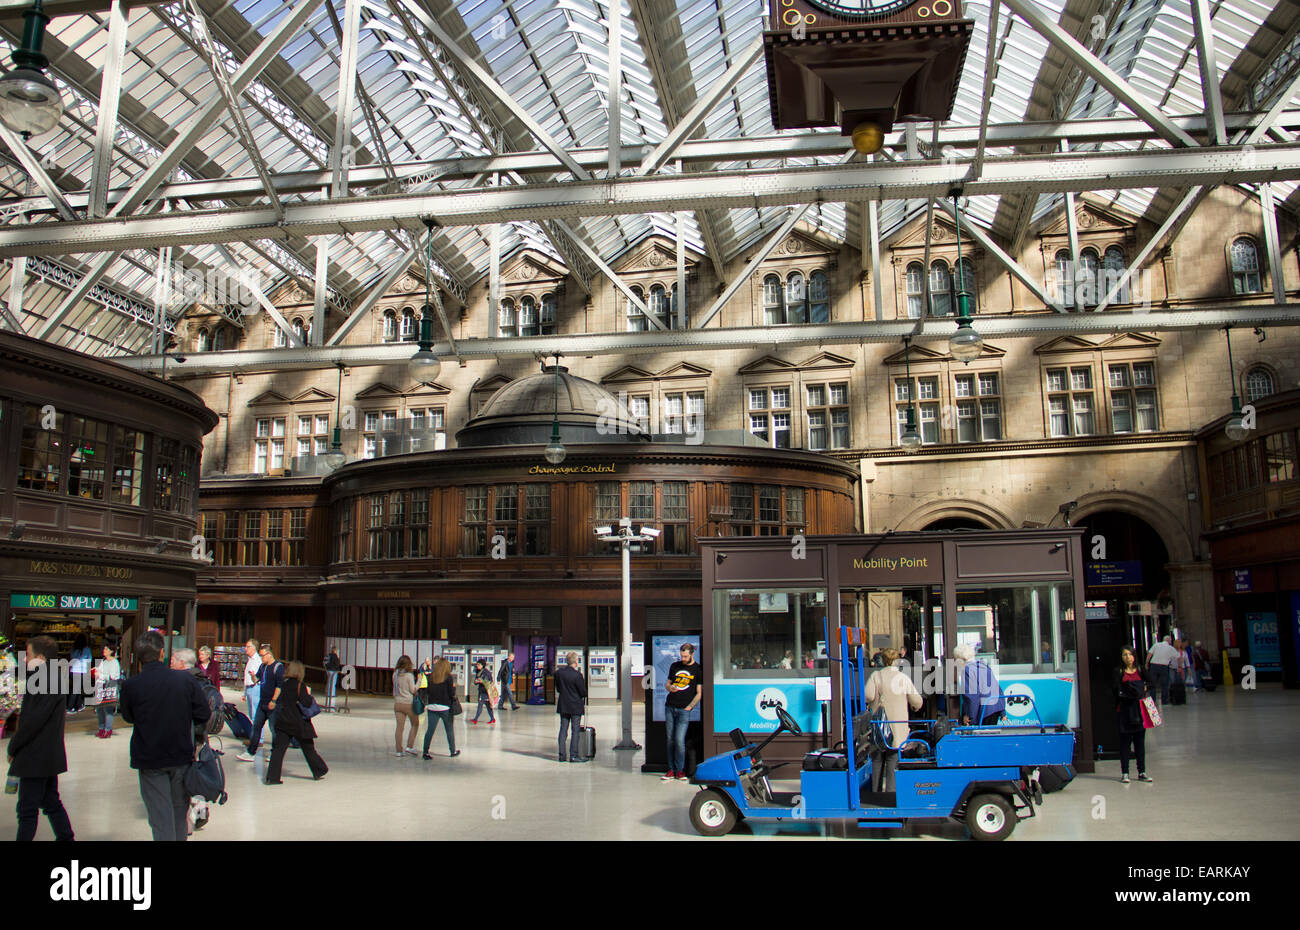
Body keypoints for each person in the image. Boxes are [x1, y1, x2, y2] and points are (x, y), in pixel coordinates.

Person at [118, 631, 211, 841]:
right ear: (162, 653)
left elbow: (128, 717)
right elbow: (203, 713)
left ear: (138, 656)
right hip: (181, 756)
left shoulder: (131, 686)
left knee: (161, 818)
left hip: (150, 759)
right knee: (179, 814)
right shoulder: (185, 681)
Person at [7, 635, 74, 841]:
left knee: (27, 809)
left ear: (41, 658)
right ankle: (66, 837)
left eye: (28, 655)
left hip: (35, 756)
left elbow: (32, 721)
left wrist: (13, 746)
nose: (24, 660)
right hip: (48, 755)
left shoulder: (43, 680)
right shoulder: (53, 678)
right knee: (51, 801)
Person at [864, 647, 923, 792]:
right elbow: (917, 701)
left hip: (879, 727)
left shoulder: (876, 676)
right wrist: (914, 708)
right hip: (897, 729)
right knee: (892, 761)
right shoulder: (902, 678)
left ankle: (875, 793)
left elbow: (868, 696)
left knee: (877, 761)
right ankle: (890, 796)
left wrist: (873, 703)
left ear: (883, 660)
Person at [264, 660, 328, 784]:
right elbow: (307, 703)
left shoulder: (284, 684)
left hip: (283, 721)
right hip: (298, 723)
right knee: (308, 748)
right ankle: (319, 770)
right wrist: (308, 694)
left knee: (278, 751)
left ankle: (272, 777)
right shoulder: (300, 685)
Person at [1113, 647, 1156, 784]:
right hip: (1124, 710)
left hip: (1139, 710)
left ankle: (1141, 771)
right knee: (1125, 743)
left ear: (1134, 656)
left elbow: (1152, 683)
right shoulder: (1118, 672)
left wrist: (1143, 688)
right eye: (1124, 655)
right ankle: (1125, 772)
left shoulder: (1141, 669)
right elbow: (1115, 689)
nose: (1127, 657)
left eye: (1130, 654)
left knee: (1139, 742)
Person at [238, 645, 284, 762]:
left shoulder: (278, 667)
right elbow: (257, 679)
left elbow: (279, 686)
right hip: (262, 703)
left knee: (274, 729)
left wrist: (273, 700)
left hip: (273, 704)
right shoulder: (263, 667)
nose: (261, 658)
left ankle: (274, 753)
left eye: (263, 655)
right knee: (256, 726)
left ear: (269, 655)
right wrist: (253, 676)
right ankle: (251, 752)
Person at [663, 642, 702, 782]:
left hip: (684, 709)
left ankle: (680, 770)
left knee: (679, 740)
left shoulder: (697, 669)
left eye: (686, 656)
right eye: (682, 656)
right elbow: (667, 683)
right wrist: (670, 688)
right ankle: (671, 769)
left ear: (692, 654)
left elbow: (699, 693)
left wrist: (690, 706)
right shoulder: (675, 666)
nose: (683, 659)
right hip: (670, 706)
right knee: (670, 739)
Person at [954, 643, 1004, 725]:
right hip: (995, 708)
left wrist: (970, 717)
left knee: (982, 735)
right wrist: (1002, 712)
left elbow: (972, 696)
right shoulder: (983, 666)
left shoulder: (967, 670)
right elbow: (997, 689)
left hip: (984, 711)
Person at [421, 658, 460, 760]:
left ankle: (425, 752)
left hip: (432, 707)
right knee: (449, 730)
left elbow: (427, 691)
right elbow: (451, 693)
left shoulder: (431, 677)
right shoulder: (448, 678)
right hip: (445, 707)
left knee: (430, 730)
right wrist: (454, 688)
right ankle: (452, 751)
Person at [554, 652, 587, 763]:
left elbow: (558, 688)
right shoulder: (578, 675)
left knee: (563, 729)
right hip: (575, 705)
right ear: (576, 661)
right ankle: (574, 755)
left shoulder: (559, 673)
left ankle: (562, 755)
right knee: (575, 730)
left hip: (563, 704)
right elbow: (583, 692)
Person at [393, 655, 420, 756]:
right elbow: (413, 690)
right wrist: (419, 681)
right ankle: (409, 746)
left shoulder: (395, 675)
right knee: (415, 724)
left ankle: (399, 751)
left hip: (397, 703)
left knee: (399, 728)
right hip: (408, 704)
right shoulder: (409, 676)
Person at [94, 642, 122, 739]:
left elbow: (113, 676)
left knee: (108, 709)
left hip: (109, 688)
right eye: (104, 649)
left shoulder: (114, 662)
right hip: (101, 687)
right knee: (99, 709)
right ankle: (101, 728)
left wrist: (100, 675)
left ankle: (107, 729)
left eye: (106, 649)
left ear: (111, 651)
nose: (104, 651)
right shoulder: (103, 661)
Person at [1145, 635, 1179, 705]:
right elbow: (1179, 657)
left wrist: (1146, 664)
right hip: (1164, 667)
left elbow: (1149, 654)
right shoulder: (1171, 648)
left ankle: (1152, 700)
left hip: (1154, 666)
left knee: (1152, 684)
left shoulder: (1156, 645)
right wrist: (1180, 666)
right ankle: (1164, 701)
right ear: (1169, 640)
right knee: (1164, 684)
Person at [67, 633, 93, 715]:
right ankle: (70, 707)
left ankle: (79, 705)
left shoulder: (73, 649)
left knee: (76, 688)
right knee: (76, 689)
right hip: (82, 671)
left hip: (73, 670)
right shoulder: (87, 649)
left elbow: (70, 658)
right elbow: (90, 660)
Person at [241, 639, 261, 729]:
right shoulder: (250, 660)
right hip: (249, 688)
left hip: (255, 688)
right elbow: (247, 678)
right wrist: (244, 693)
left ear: (253, 648)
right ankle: (254, 736)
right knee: (252, 714)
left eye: (247, 646)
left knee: (256, 714)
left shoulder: (257, 660)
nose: (245, 649)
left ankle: (258, 738)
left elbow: (257, 677)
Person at [470, 659, 496, 725]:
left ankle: (475, 719)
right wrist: (476, 682)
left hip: (485, 691)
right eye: (477, 664)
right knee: (487, 705)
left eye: (479, 664)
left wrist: (482, 681)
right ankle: (492, 718)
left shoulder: (486, 672)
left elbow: (488, 681)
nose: (477, 666)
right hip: (482, 690)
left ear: (482, 665)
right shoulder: (478, 671)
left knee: (480, 704)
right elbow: (476, 680)